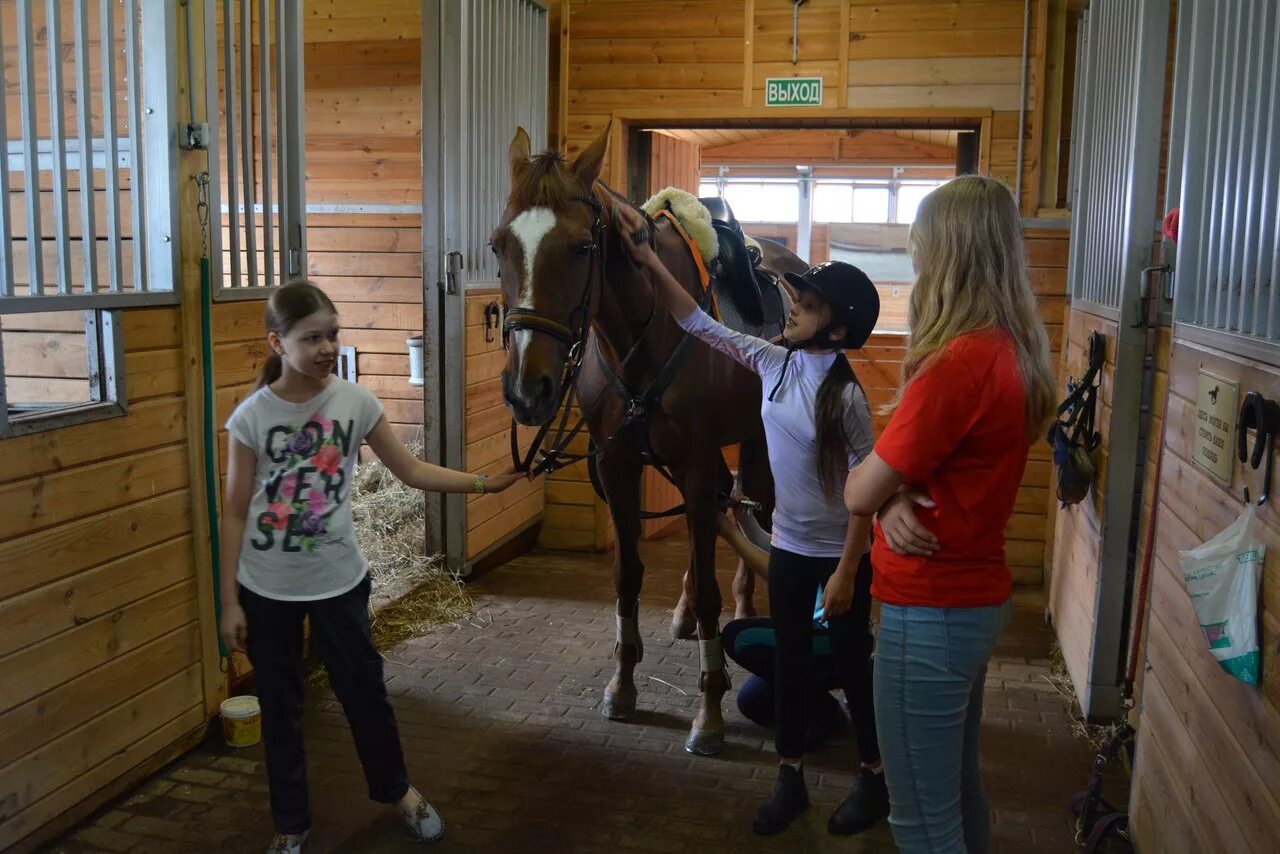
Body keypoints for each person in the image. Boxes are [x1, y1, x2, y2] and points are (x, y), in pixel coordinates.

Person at [218, 281, 527, 854]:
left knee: (366, 694)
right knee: (281, 712)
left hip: (339, 582)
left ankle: (398, 791)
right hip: (266, 589)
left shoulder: (355, 403)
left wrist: (483, 481)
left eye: (332, 334)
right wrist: (229, 599)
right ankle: (290, 824)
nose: (327, 347)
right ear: (277, 343)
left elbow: (410, 471)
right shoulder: (250, 420)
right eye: (311, 338)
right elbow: (234, 512)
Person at [615, 204, 887, 837]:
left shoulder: (847, 398)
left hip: (840, 557)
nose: (793, 309)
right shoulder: (772, 363)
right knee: (789, 668)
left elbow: (865, 492)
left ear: (837, 332)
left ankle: (873, 778)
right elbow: (695, 323)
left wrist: (849, 569)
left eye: (809, 306)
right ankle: (788, 778)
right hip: (791, 552)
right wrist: (652, 259)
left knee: (853, 667)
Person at [843, 175, 1056, 853]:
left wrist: (881, 494)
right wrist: (896, 494)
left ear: (947, 254)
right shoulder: (1009, 351)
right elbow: (925, 473)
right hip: (973, 598)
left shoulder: (955, 365)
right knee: (959, 796)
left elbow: (855, 491)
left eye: (920, 248)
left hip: (929, 609)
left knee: (922, 822)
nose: (916, 261)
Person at [716, 511, 855, 752]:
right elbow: (780, 554)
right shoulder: (812, 521)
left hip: (829, 635)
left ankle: (814, 709)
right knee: (752, 700)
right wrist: (744, 519)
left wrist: (730, 534)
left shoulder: (831, 525)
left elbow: (780, 573)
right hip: (812, 632)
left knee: (738, 637)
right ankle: (826, 711)